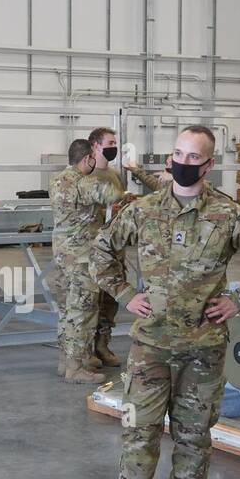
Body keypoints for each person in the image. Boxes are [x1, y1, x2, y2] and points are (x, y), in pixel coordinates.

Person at [87, 125, 240, 479]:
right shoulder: (143, 210)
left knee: (194, 434)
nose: (182, 162)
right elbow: (100, 253)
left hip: (203, 345)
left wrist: (238, 300)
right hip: (151, 345)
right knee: (138, 431)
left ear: (208, 165)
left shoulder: (230, 215)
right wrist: (126, 295)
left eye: (193, 157)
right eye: (178, 153)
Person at [51, 138, 125, 383]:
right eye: (93, 157)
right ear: (86, 159)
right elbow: (114, 196)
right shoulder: (85, 183)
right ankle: (76, 368)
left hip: (63, 255)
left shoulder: (59, 180)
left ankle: (66, 361)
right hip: (82, 258)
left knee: (67, 311)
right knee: (82, 312)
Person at [87, 127, 160, 369]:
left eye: (115, 142)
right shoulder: (87, 175)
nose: (113, 147)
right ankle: (87, 351)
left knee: (111, 300)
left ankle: (102, 345)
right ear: (96, 146)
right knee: (91, 301)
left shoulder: (114, 174)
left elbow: (117, 203)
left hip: (115, 244)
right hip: (94, 246)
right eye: (109, 142)